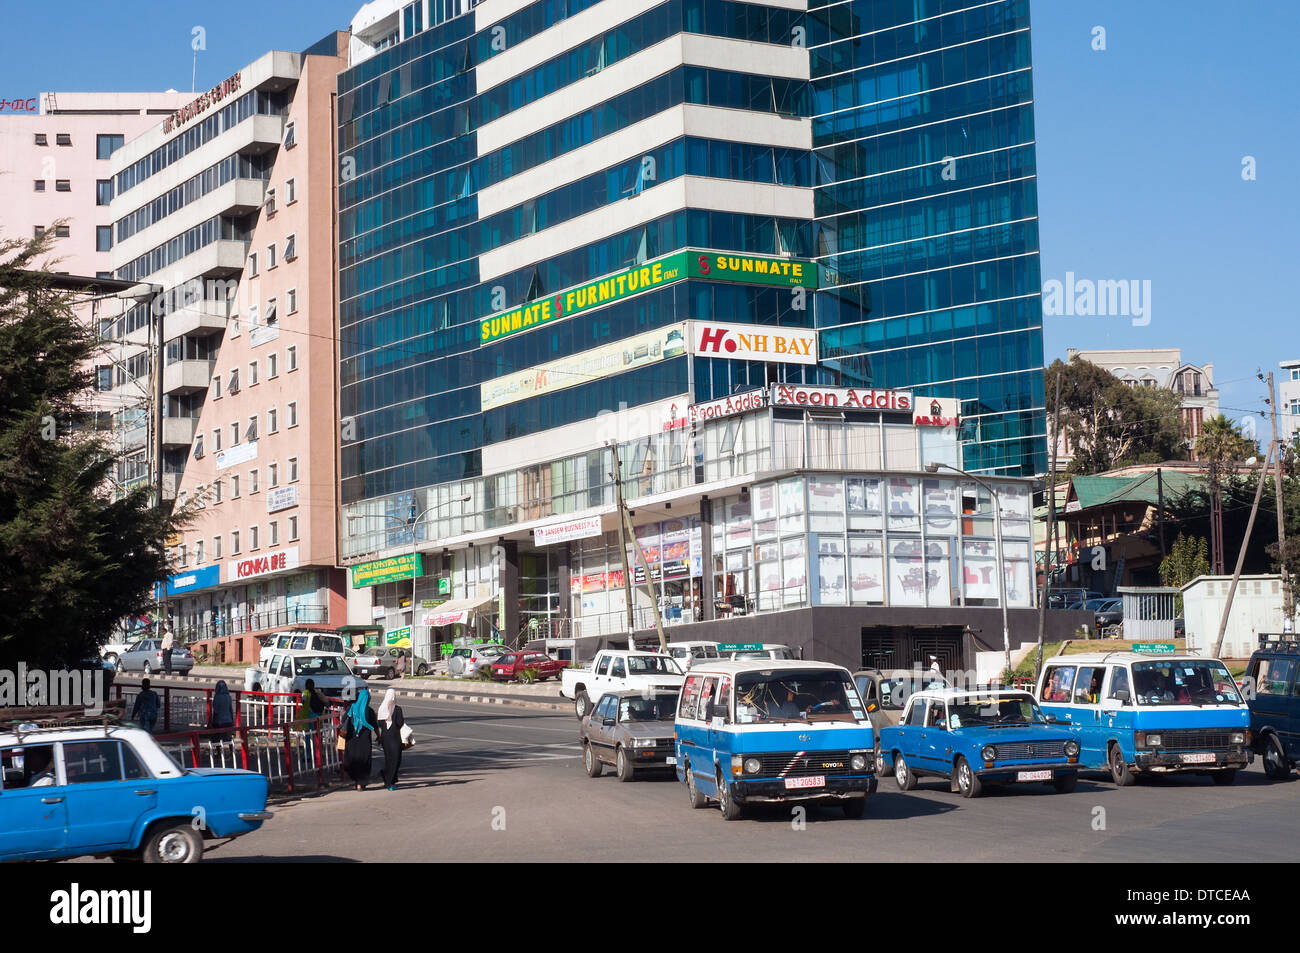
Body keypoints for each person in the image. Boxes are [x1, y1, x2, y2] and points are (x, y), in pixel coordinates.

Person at [341, 687, 377, 791]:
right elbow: (374, 725)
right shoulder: (369, 711)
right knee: (364, 761)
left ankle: (357, 782)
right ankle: (361, 783)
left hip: (351, 740)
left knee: (353, 761)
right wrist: (379, 736)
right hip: (364, 741)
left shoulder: (351, 708)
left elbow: (343, 722)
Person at [375, 689, 406, 791]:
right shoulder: (397, 709)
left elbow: (379, 724)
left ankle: (387, 777)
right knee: (396, 759)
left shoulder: (381, 709)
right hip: (395, 738)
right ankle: (390, 782)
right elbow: (400, 723)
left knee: (389, 759)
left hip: (385, 738)